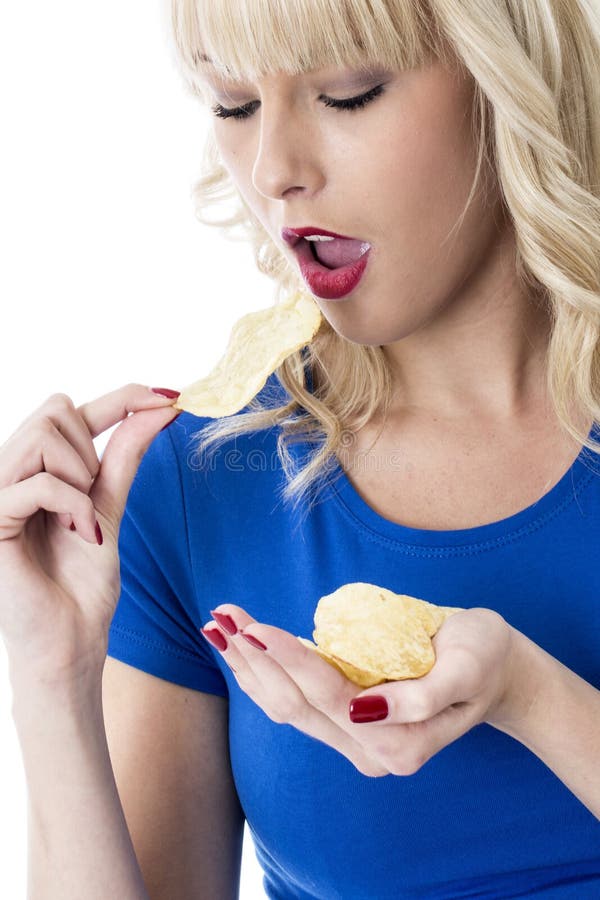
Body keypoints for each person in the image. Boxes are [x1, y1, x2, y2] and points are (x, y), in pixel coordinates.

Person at [1, 0, 599, 897]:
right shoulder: (197, 483)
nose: (275, 170)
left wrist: (534, 698)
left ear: (505, 83)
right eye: (234, 105)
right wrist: (51, 674)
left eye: (347, 94)